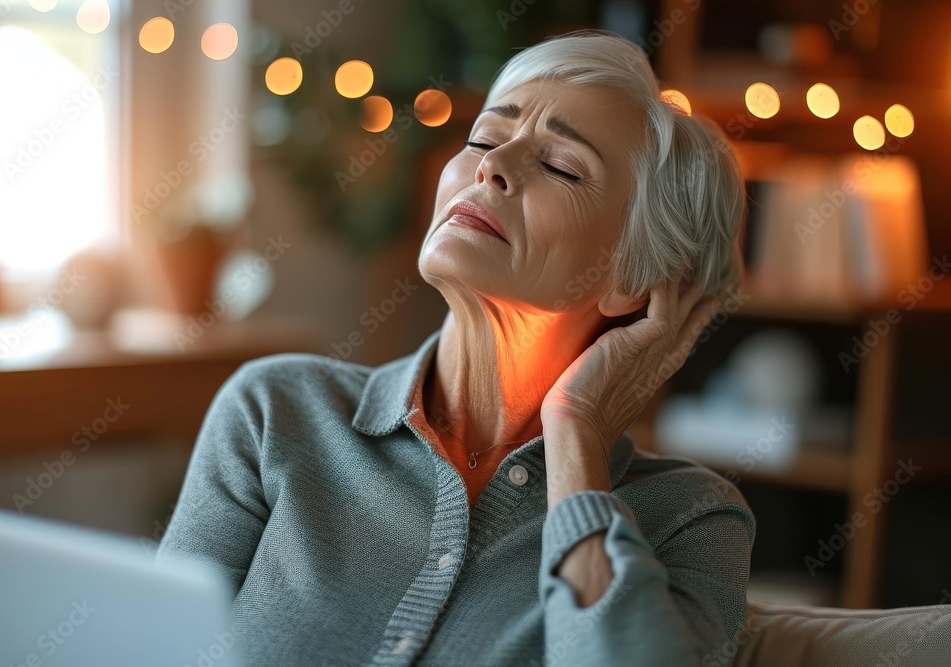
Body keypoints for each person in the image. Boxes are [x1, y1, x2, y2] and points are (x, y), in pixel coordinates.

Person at [157, 29, 754, 667]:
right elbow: (145, 649)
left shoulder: (689, 520)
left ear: (636, 279)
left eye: (561, 165)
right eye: (485, 139)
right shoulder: (276, 411)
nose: (491, 166)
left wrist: (575, 436)